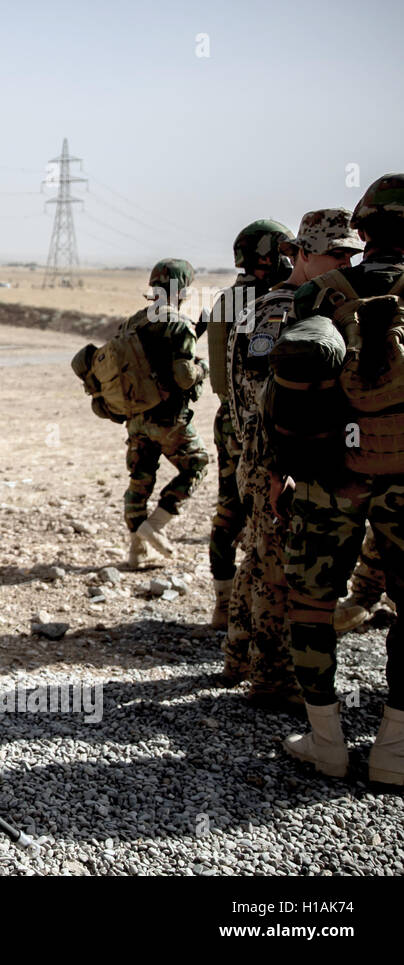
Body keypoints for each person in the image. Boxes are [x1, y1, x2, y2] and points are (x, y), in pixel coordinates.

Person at [276, 174, 404, 784]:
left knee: (312, 601)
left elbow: (291, 391)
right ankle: (394, 751)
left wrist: (279, 469)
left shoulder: (319, 294)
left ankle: (326, 741)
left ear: (366, 227)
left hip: (332, 473)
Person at [226, 209, 361, 712]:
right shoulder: (280, 311)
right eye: (335, 253)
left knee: (262, 560)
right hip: (274, 462)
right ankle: (272, 681)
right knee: (277, 571)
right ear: (303, 253)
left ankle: (239, 655)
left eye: (351, 253)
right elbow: (265, 397)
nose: (345, 261)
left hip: (279, 461)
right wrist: (276, 469)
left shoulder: (319, 302)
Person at [200, 221, 294, 631]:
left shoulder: (226, 301)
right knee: (275, 515)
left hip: (230, 420)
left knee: (229, 509)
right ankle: (268, 612)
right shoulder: (283, 301)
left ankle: (225, 605)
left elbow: (220, 381)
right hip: (269, 423)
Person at [120, 259, 209, 567]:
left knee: (140, 479)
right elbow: (184, 376)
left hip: (136, 417)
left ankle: (136, 552)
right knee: (197, 464)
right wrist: (202, 368)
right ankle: (153, 527)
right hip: (168, 419)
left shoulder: (133, 321)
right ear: (182, 290)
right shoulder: (179, 324)